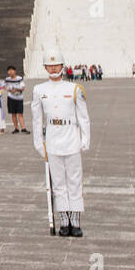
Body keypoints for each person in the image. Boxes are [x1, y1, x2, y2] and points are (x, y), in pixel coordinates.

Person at [31, 51, 91, 237]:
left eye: (56, 64)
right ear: (45, 68)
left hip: (71, 137)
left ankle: (75, 219)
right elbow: (36, 119)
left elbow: (83, 117)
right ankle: (64, 219)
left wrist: (85, 139)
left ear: (62, 66)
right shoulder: (39, 90)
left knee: (74, 180)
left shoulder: (74, 89)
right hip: (52, 139)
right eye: (50, 65)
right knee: (58, 182)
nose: (53, 68)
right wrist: (39, 144)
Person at [3, 65, 26, 132]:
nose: (10, 72)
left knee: (20, 113)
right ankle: (16, 128)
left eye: (12, 70)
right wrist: (9, 90)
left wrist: (16, 89)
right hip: (11, 98)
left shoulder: (19, 78)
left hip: (19, 98)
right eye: (9, 70)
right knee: (13, 114)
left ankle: (23, 128)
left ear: (15, 71)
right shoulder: (7, 79)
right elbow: (3, 86)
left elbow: (23, 88)